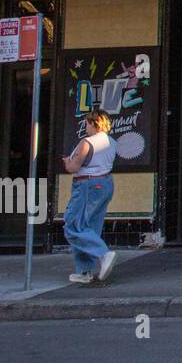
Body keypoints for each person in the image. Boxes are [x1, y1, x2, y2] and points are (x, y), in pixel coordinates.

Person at [61, 109, 118, 285]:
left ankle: (103, 254)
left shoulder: (86, 142)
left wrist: (67, 162)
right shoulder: (112, 142)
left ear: (94, 123)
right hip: (106, 184)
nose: (85, 125)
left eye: (86, 122)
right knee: (90, 228)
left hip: (87, 185)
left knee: (73, 224)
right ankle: (84, 271)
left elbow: (73, 167)